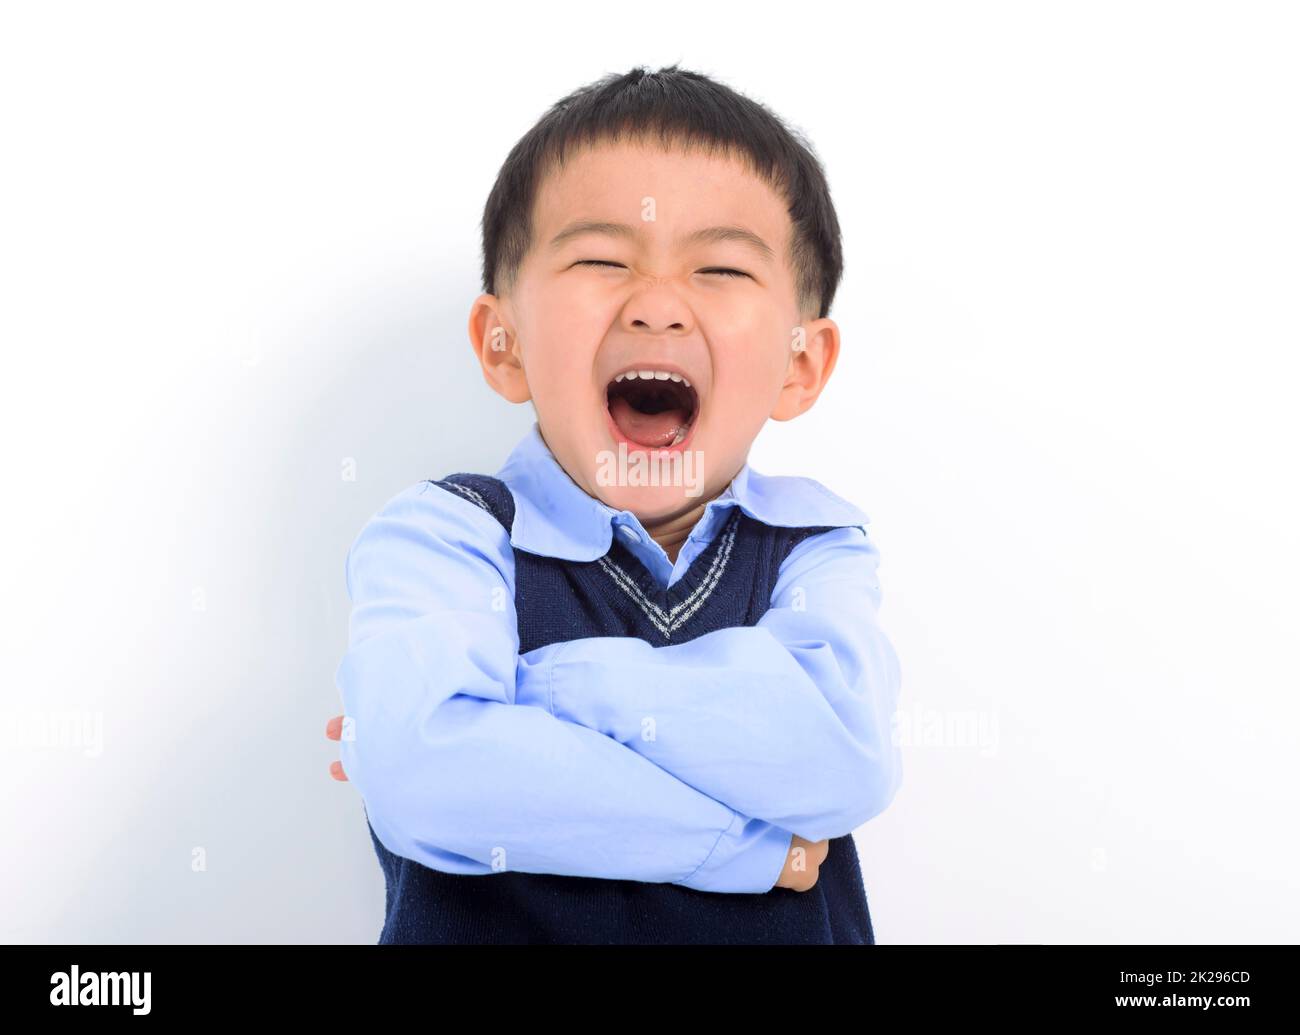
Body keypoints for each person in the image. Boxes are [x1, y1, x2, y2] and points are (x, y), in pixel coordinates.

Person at [326, 64, 903, 944]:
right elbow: (426, 776)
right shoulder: (444, 535)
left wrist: (521, 697)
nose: (658, 306)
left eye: (718, 267)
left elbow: (837, 752)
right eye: (601, 260)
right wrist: (748, 848)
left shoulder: (817, 546)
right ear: (503, 342)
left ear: (800, 364)